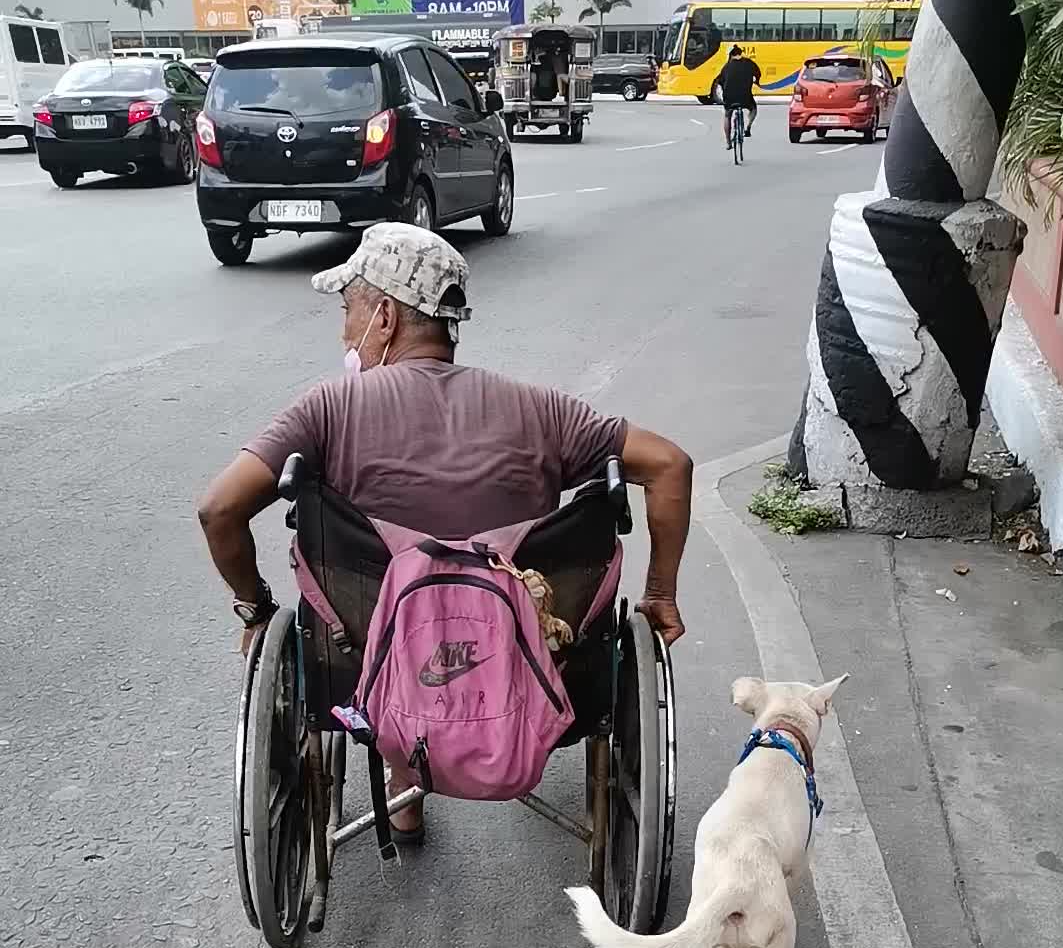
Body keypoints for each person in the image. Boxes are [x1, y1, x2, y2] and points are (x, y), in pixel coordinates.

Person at [199, 222, 693, 839]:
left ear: (384, 317)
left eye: (349, 309)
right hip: (527, 662)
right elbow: (671, 465)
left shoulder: (327, 410)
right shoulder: (543, 411)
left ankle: (402, 775)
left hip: (375, 667)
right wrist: (661, 595)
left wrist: (254, 610)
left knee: (380, 604)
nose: (342, 330)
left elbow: (219, 509)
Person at [718, 44, 761, 149]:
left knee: (728, 115)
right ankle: (748, 127)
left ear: (730, 55)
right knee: (753, 109)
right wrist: (756, 81)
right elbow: (758, 73)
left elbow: (720, 81)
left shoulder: (726, 66)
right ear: (740, 53)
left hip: (729, 97)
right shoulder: (749, 63)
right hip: (745, 96)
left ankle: (728, 142)